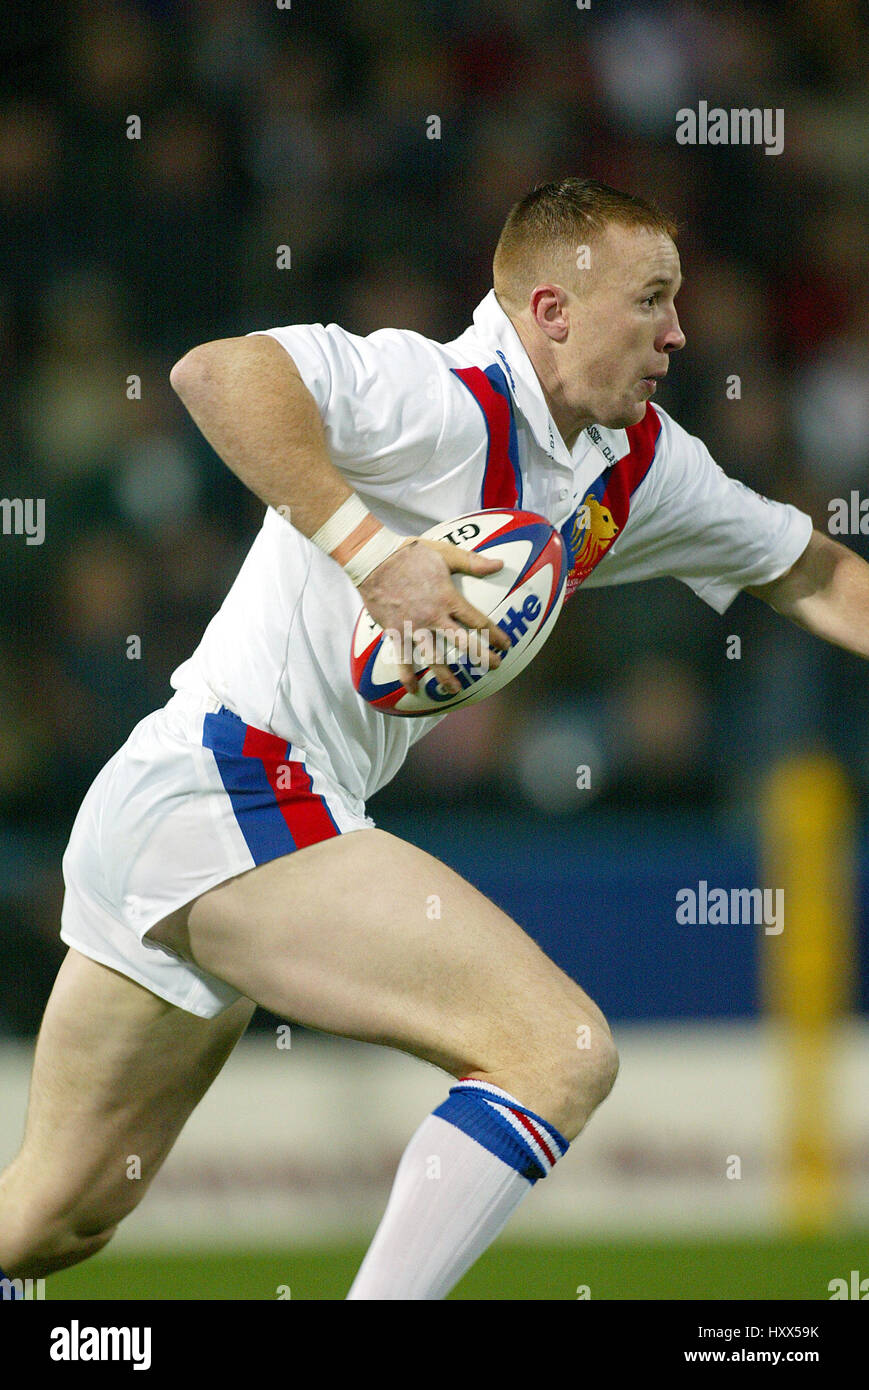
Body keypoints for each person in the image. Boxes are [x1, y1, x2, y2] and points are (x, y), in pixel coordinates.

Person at [2, 179, 866, 1301]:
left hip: (198, 815)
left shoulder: (635, 464)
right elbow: (214, 373)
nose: (677, 331)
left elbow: (810, 569)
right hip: (231, 784)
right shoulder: (432, 390)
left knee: (56, 1220)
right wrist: (372, 550)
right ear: (552, 308)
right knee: (557, 1052)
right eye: (651, 300)